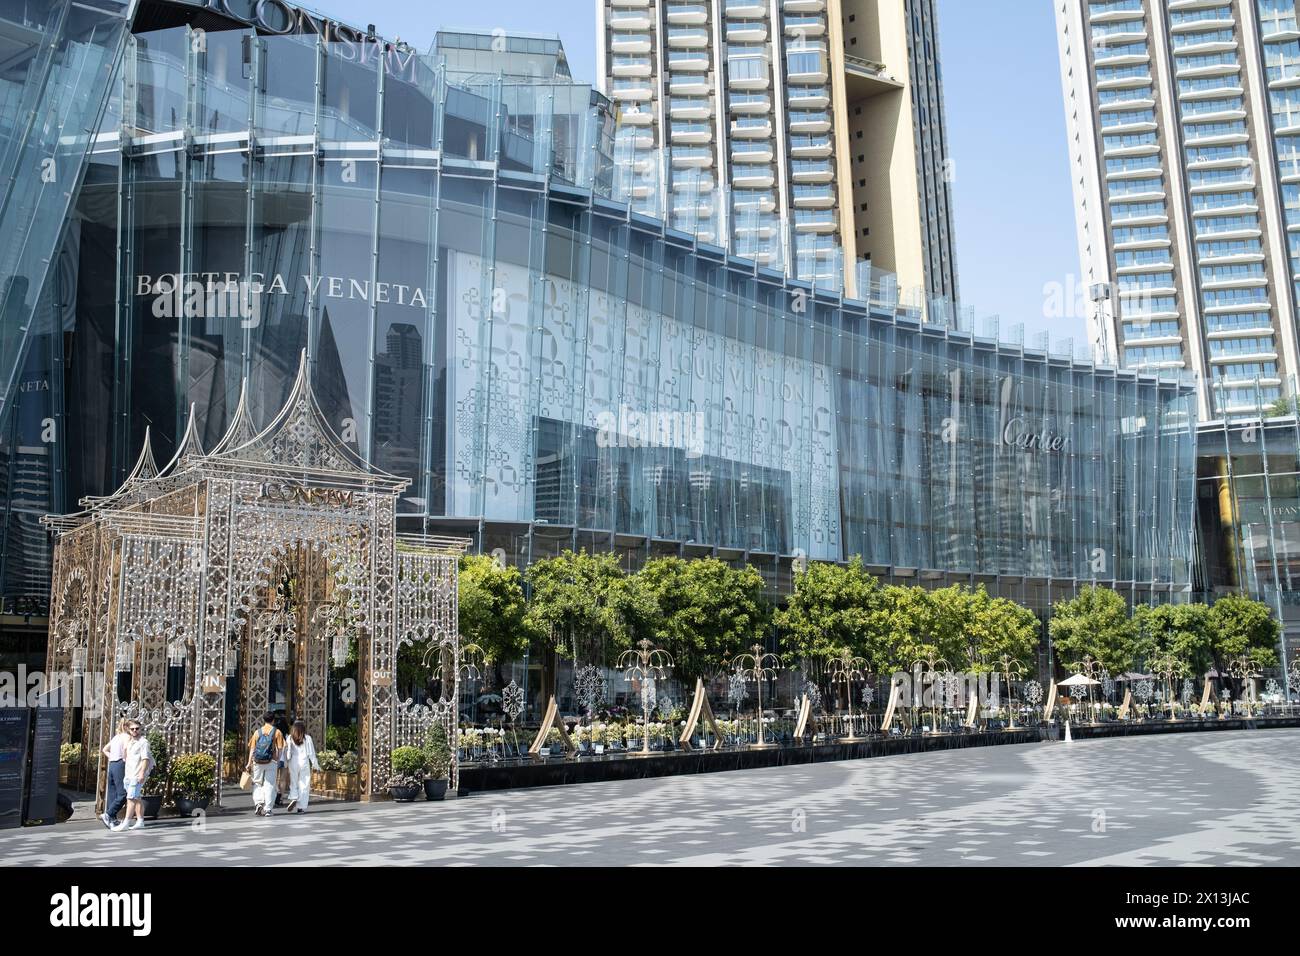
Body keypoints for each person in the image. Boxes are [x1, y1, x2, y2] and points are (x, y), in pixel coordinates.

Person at [112, 721, 152, 832]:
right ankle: (140, 821)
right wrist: (125, 747)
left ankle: (126, 822)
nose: (135, 730)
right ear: (129, 730)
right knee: (137, 797)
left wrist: (142, 773)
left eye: (137, 728)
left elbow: (145, 759)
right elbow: (125, 757)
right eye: (132, 729)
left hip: (137, 774)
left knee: (131, 798)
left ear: (141, 729)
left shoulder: (143, 742)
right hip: (129, 774)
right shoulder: (129, 742)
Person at [246, 711, 285, 816]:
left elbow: (252, 749)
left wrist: (249, 763)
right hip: (271, 761)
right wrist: (278, 759)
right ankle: (268, 809)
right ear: (273, 720)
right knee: (270, 784)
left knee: (257, 783)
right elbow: (281, 748)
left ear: (264, 720)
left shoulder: (257, 732)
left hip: (257, 761)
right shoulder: (277, 732)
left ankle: (258, 803)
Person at [282, 719, 322, 813]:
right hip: (304, 761)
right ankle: (300, 807)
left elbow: (287, 753)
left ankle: (294, 797)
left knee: (294, 782)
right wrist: (316, 765)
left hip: (293, 762)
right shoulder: (307, 738)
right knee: (304, 784)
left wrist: (286, 763)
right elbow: (311, 753)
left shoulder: (290, 738)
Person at [100, 718, 131, 829]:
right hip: (120, 764)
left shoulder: (116, 737)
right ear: (127, 727)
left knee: (112, 792)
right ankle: (108, 814)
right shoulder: (127, 737)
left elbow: (104, 749)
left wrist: (112, 757)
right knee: (123, 793)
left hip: (112, 764)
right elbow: (126, 750)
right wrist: (125, 759)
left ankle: (112, 819)